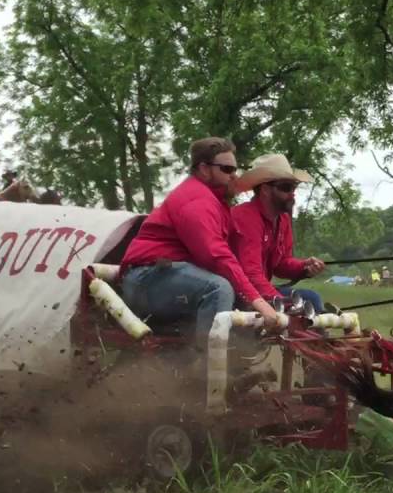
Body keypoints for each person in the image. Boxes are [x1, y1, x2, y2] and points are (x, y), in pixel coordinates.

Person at [119, 137, 284, 341]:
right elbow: (216, 256)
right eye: (227, 169)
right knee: (218, 288)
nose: (235, 176)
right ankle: (206, 366)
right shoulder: (196, 201)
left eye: (235, 169)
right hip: (146, 279)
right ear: (204, 169)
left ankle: (234, 361)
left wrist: (254, 296)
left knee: (233, 292)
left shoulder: (215, 204)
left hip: (164, 277)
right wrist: (259, 301)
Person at [229, 153, 326, 311]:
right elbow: (250, 273)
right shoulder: (245, 217)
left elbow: (281, 265)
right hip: (238, 295)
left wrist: (304, 267)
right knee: (306, 304)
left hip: (257, 292)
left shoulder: (283, 219)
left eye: (294, 187)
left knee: (312, 298)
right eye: (286, 187)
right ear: (266, 190)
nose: (292, 193)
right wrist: (280, 301)